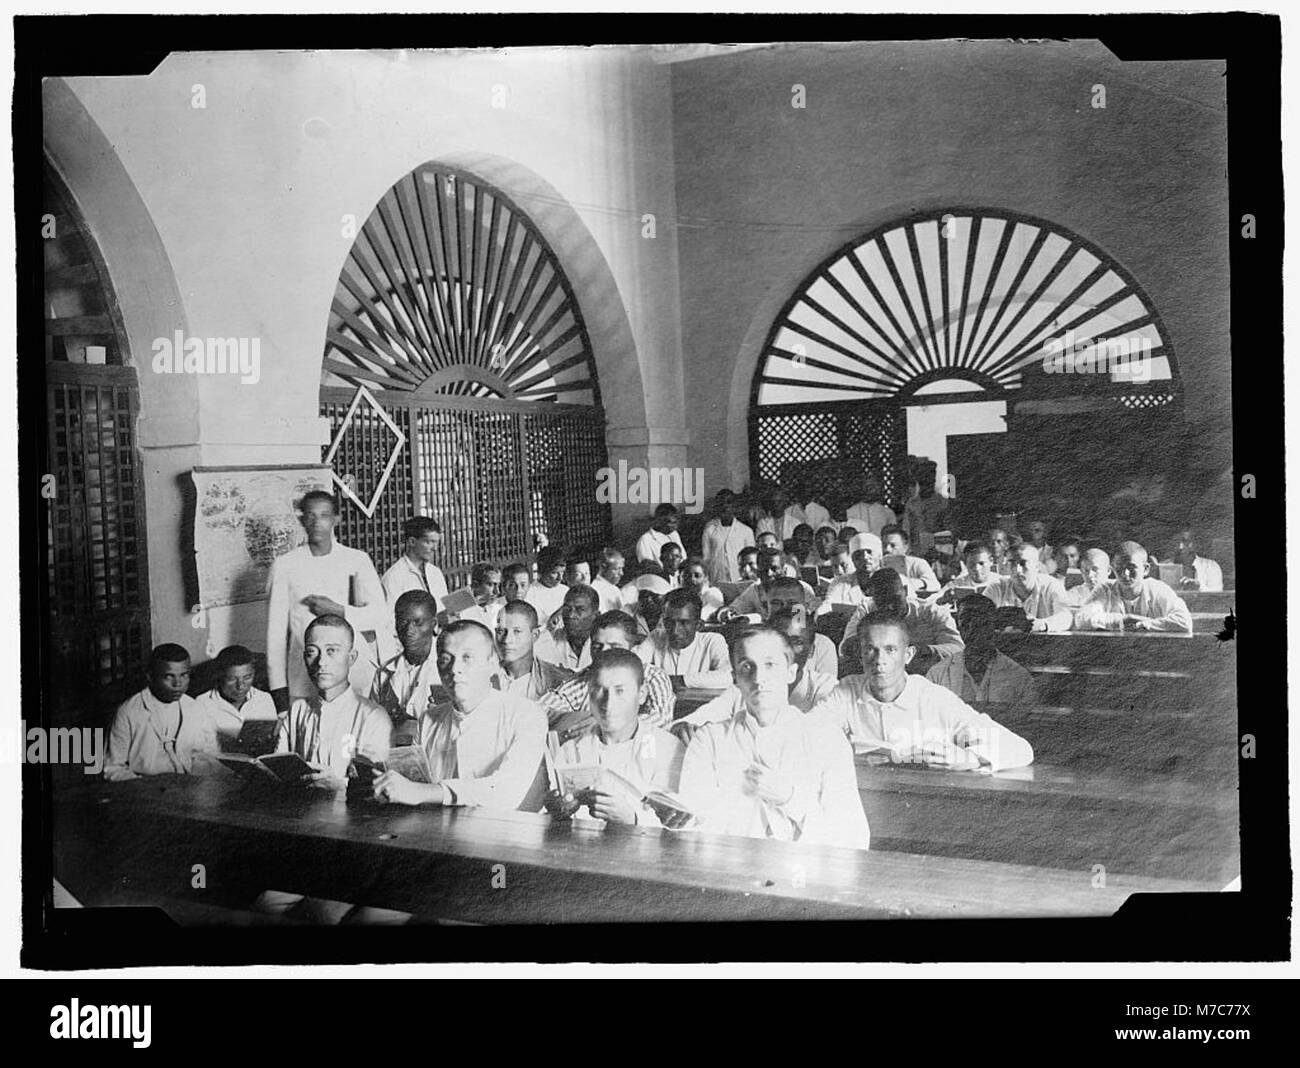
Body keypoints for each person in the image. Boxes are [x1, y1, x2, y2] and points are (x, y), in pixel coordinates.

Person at [677, 627, 870, 850]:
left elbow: (853, 837)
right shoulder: (710, 741)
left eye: (770, 665)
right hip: (728, 872)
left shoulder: (826, 738)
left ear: (791, 672)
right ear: (735, 679)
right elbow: (693, 830)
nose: (759, 678)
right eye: (747, 666)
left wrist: (790, 799)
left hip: (806, 873)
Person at [814, 612, 1033, 771]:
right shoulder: (846, 690)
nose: (879, 660)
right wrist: (849, 756)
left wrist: (969, 758)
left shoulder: (933, 698)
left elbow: (1020, 749)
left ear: (908, 655)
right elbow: (804, 735)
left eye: (890, 650)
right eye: (870, 650)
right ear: (860, 654)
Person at [373, 621, 548, 811]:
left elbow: (506, 791)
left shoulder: (526, 715)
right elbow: (414, 787)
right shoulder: (429, 719)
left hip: (503, 835)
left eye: (468, 657)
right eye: (445, 659)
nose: (455, 668)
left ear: (492, 665)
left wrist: (423, 792)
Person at [265, 490, 388, 710]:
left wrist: (339, 611)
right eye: (310, 516)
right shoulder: (285, 565)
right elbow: (275, 638)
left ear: (336, 519)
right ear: (302, 519)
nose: (317, 522)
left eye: (324, 515)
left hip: (355, 673)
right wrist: (279, 695)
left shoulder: (356, 560)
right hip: (304, 677)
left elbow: (381, 615)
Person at [542, 649, 685, 827]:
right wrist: (558, 811)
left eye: (620, 691)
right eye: (599, 690)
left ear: (641, 695)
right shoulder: (570, 750)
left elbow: (679, 824)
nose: (608, 703)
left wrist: (632, 819)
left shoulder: (667, 749)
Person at [277, 615, 392, 786]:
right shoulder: (297, 710)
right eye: (311, 652)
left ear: (351, 657)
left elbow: (379, 786)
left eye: (332, 651)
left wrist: (338, 784)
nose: (321, 662)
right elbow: (279, 767)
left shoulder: (373, 717)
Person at [540, 611, 675, 734]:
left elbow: (661, 720)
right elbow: (540, 711)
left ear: (633, 649)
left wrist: (604, 724)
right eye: (597, 646)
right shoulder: (583, 680)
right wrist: (581, 718)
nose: (604, 652)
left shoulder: (652, 677)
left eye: (615, 646)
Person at [104, 644, 220, 781]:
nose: (178, 684)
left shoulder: (194, 707)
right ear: (150, 676)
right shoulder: (128, 712)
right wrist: (142, 786)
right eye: (168, 677)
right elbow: (113, 768)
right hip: (146, 791)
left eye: (184, 675)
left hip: (191, 786)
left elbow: (211, 754)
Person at [839, 568, 963, 672]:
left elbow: (957, 649)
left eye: (895, 599)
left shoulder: (931, 612)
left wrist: (925, 651)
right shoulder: (866, 610)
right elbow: (845, 648)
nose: (890, 607)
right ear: (873, 598)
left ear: (905, 590)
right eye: (882, 602)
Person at [926, 595, 1037, 711]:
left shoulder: (1020, 678)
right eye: (967, 620)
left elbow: (1027, 724)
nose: (974, 626)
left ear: (993, 624)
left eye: (982, 620)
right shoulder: (937, 675)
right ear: (958, 625)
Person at [1075, 541, 1194, 632]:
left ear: (1146, 569)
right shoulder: (1105, 589)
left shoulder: (1157, 589)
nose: (1125, 574)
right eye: (1119, 568)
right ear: (1112, 568)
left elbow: (1184, 621)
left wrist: (1144, 624)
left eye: (1131, 568)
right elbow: (1081, 619)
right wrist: (1122, 620)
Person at [370, 591, 443, 737]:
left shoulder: (448, 669)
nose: (409, 631)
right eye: (403, 622)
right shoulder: (383, 673)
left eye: (418, 622)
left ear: (434, 624)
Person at [638, 589, 733, 689]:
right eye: (669, 622)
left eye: (683, 623)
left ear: (699, 625)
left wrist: (676, 680)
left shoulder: (712, 641)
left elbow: (728, 676)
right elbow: (632, 665)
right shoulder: (656, 637)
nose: (675, 630)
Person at [196, 644, 278, 748]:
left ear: (253, 674)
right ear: (219, 676)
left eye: (247, 677)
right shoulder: (202, 704)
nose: (240, 686)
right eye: (232, 679)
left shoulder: (264, 699)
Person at [757, 575, 839, 676]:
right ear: (765, 609)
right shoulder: (754, 643)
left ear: (805, 607)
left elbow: (826, 688)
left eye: (792, 603)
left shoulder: (822, 645)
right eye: (776, 603)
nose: (785, 608)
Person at [492, 600, 573, 699]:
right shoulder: (482, 675)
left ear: (534, 635)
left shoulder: (557, 681)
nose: (507, 640)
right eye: (501, 631)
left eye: (517, 631)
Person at [984, 544, 1072, 632]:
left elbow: (1066, 617)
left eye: (1023, 563)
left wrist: (1042, 624)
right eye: (1012, 563)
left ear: (1037, 566)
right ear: (1006, 566)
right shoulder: (996, 588)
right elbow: (981, 619)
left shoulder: (1052, 585)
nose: (1018, 570)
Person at [380, 516, 449, 608]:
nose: (435, 548)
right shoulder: (393, 577)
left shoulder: (435, 572)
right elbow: (390, 618)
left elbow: (444, 607)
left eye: (436, 543)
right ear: (412, 542)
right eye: (429, 542)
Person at [533, 584, 599, 672]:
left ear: (596, 616)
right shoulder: (546, 643)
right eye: (567, 609)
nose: (571, 615)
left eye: (580, 609)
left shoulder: (604, 647)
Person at [700, 489, 756, 585]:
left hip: (739, 580)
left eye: (729, 502)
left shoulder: (746, 531)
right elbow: (706, 558)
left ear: (735, 506)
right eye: (721, 503)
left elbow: (751, 559)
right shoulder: (710, 529)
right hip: (717, 580)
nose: (725, 506)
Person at [879, 524, 941, 598]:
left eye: (893, 546)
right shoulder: (878, 564)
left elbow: (935, 585)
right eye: (884, 545)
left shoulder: (918, 563)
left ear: (905, 547)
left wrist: (910, 582)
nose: (887, 549)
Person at [818, 542, 878, 615]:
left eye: (844, 565)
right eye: (835, 566)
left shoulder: (885, 579)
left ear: (852, 561)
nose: (840, 571)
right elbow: (825, 609)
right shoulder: (839, 582)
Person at [937, 540, 998, 604]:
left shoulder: (1001, 582)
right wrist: (943, 599)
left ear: (991, 561)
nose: (977, 568)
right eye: (972, 564)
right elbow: (931, 602)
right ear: (965, 564)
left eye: (981, 563)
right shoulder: (957, 584)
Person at [450, 563, 504, 631]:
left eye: (498, 585)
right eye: (490, 585)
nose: (497, 592)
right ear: (475, 585)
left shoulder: (496, 604)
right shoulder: (456, 602)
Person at [524, 545, 569, 625]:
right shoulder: (530, 594)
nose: (560, 578)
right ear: (542, 571)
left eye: (562, 572)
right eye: (554, 573)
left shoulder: (565, 590)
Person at [590, 548, 626, 613]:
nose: (621, 573)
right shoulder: (595, 591)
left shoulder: (615, 589)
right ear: (603, 568)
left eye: (622, 568)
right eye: (617, 569)